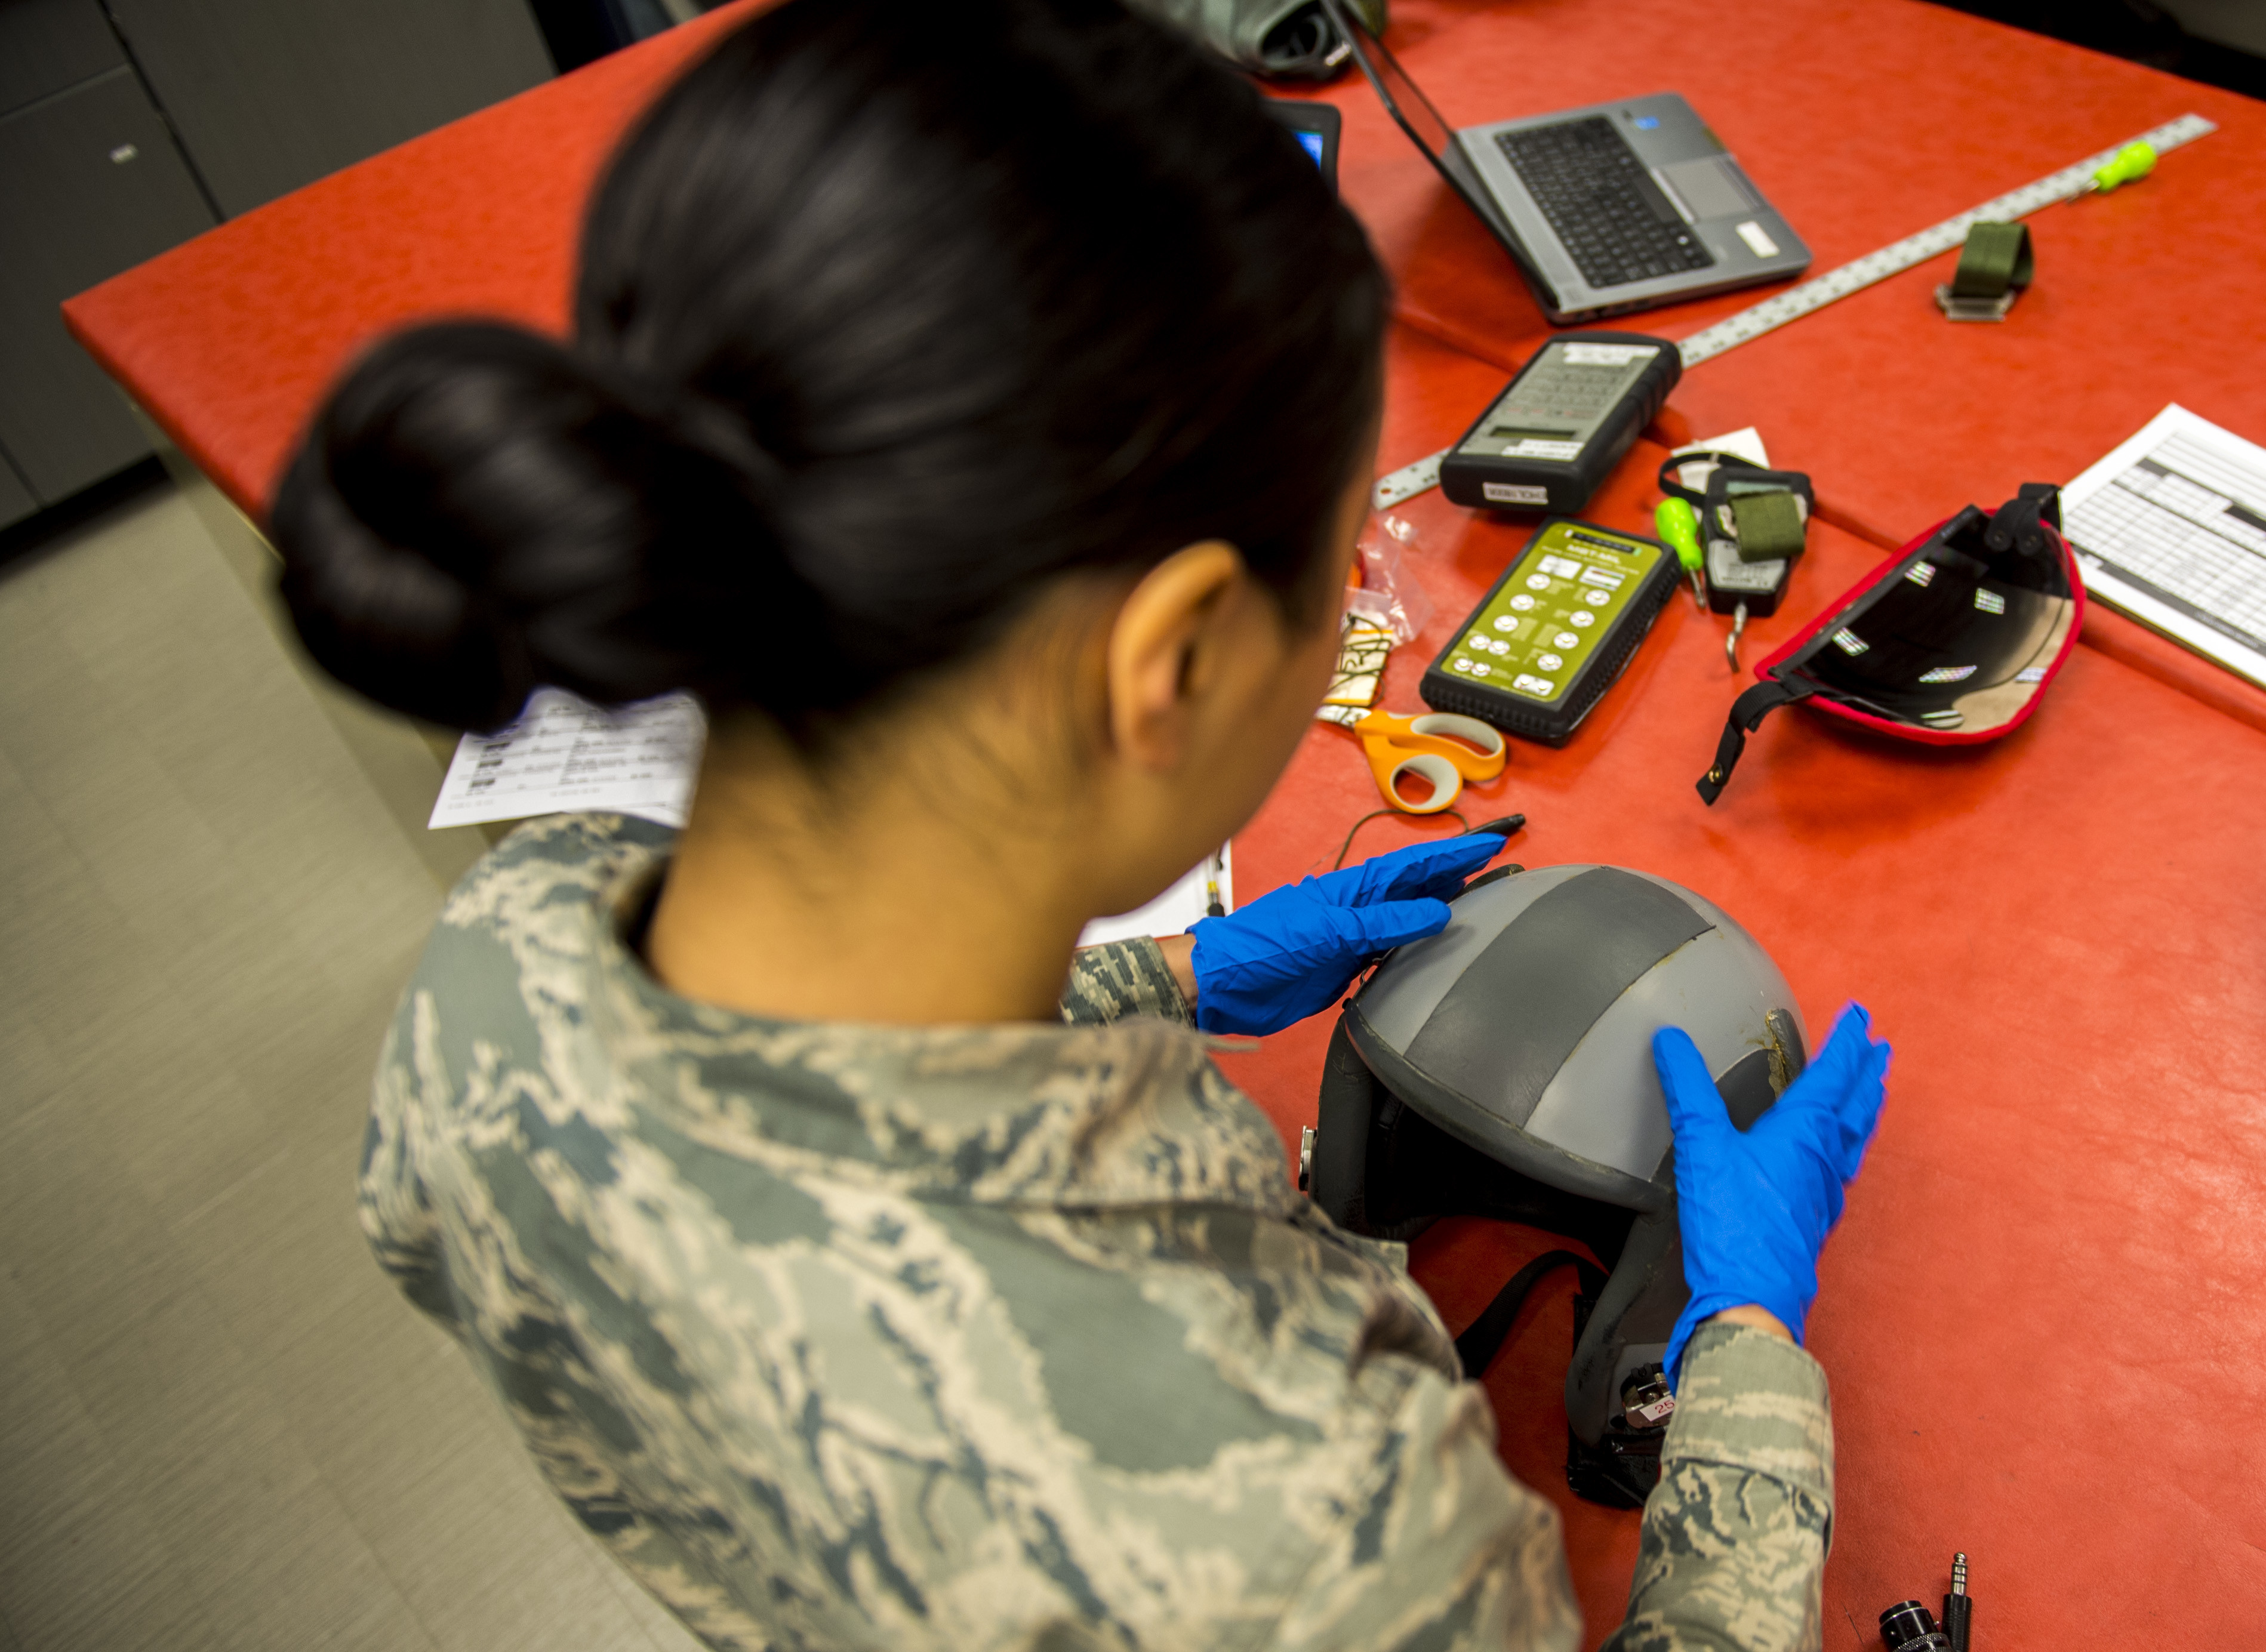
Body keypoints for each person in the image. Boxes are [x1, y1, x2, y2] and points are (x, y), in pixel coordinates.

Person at [270, 0, 1894, 1645]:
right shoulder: (1317, 1526)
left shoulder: (507, 952)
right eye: (1341, 565)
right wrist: (1747, 1366)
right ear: (1173, 662)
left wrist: (1159, 980)